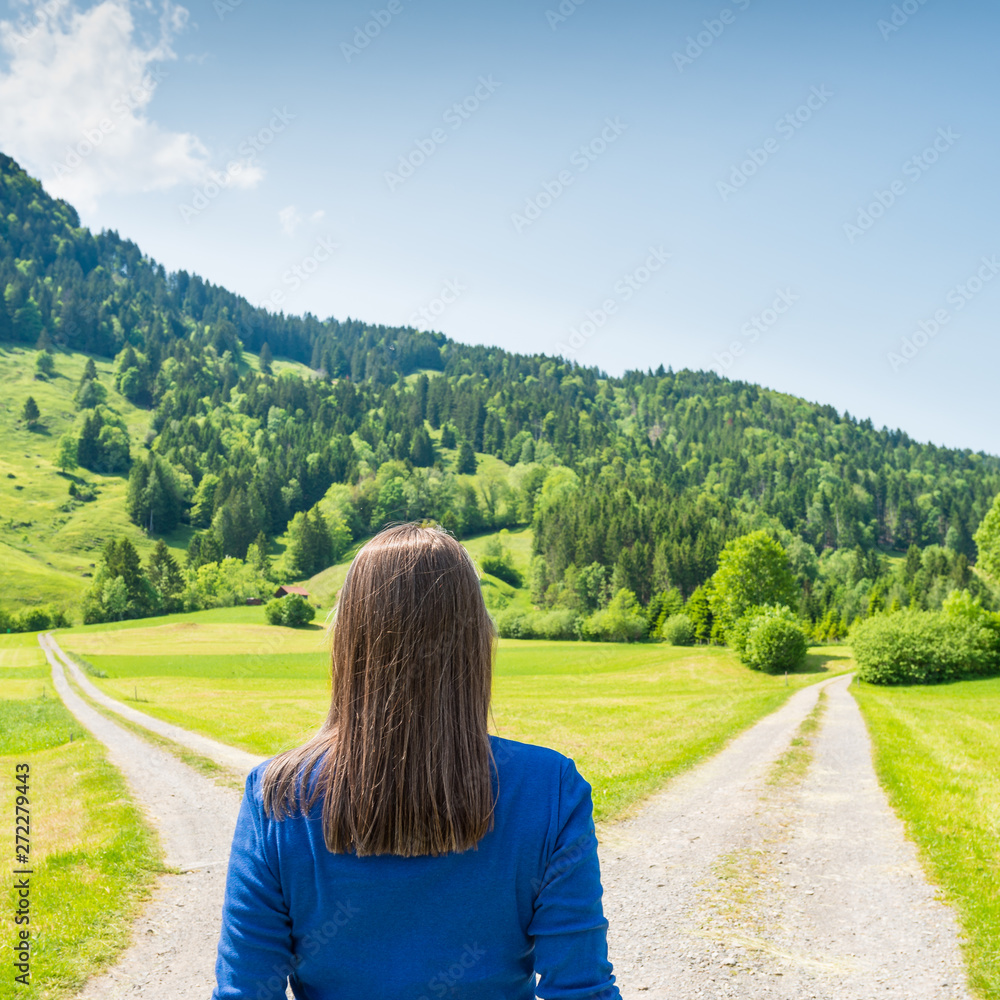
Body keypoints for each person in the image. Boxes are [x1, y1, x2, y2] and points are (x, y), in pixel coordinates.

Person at [211, 522, 619, 1000]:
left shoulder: (278, 795)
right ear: (476, 640)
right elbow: (581, 990)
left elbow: (245, 991)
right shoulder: (550, 789)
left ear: (347, 641)